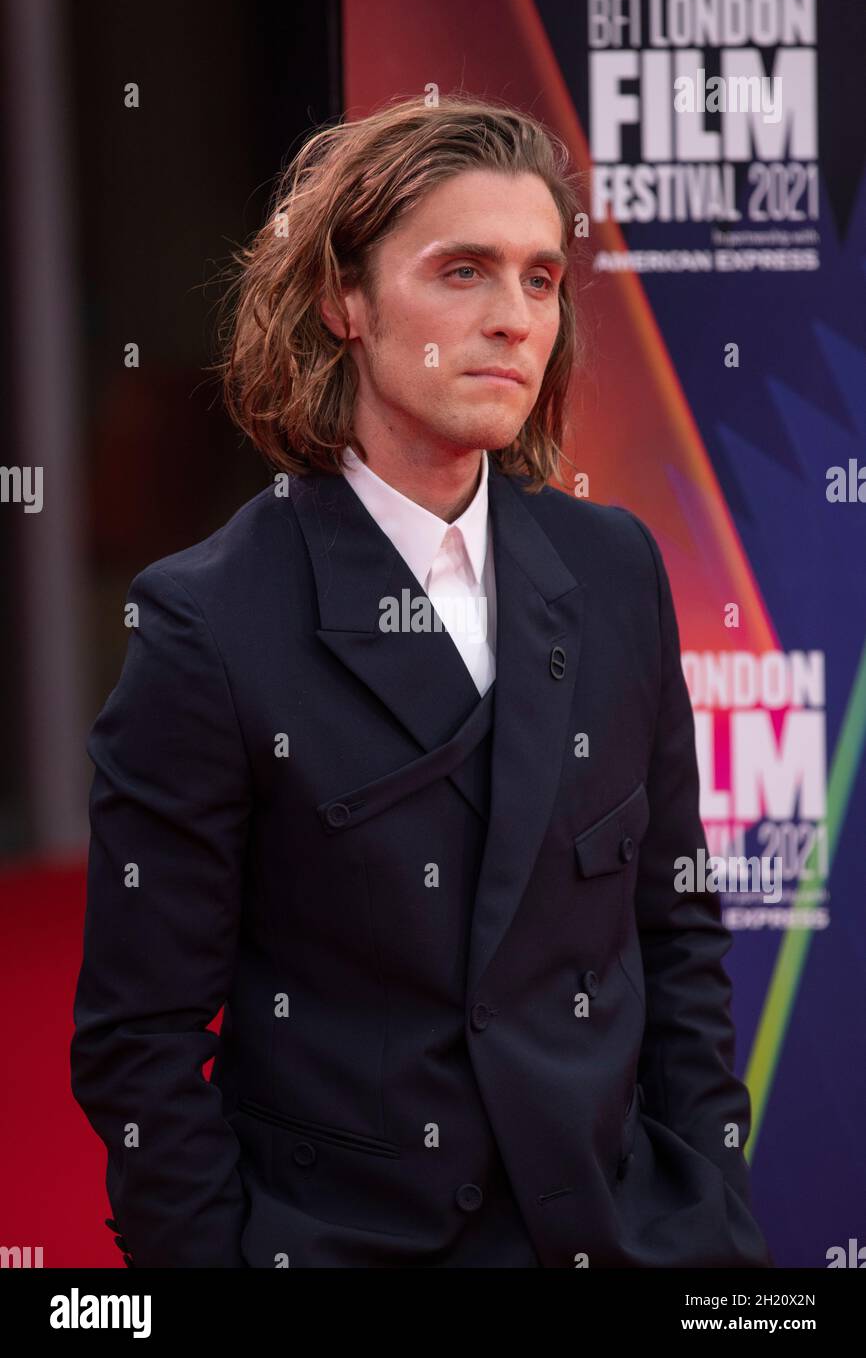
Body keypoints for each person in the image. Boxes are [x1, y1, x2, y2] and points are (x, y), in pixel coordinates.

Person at [70, 94, 773, 1268]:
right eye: (462, 271)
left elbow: (674, 931)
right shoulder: (209, 622)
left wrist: (710, 1218)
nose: (511, 319)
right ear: (344, 302)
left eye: (540, 279)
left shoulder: (614, 572)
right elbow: (138, 1039)